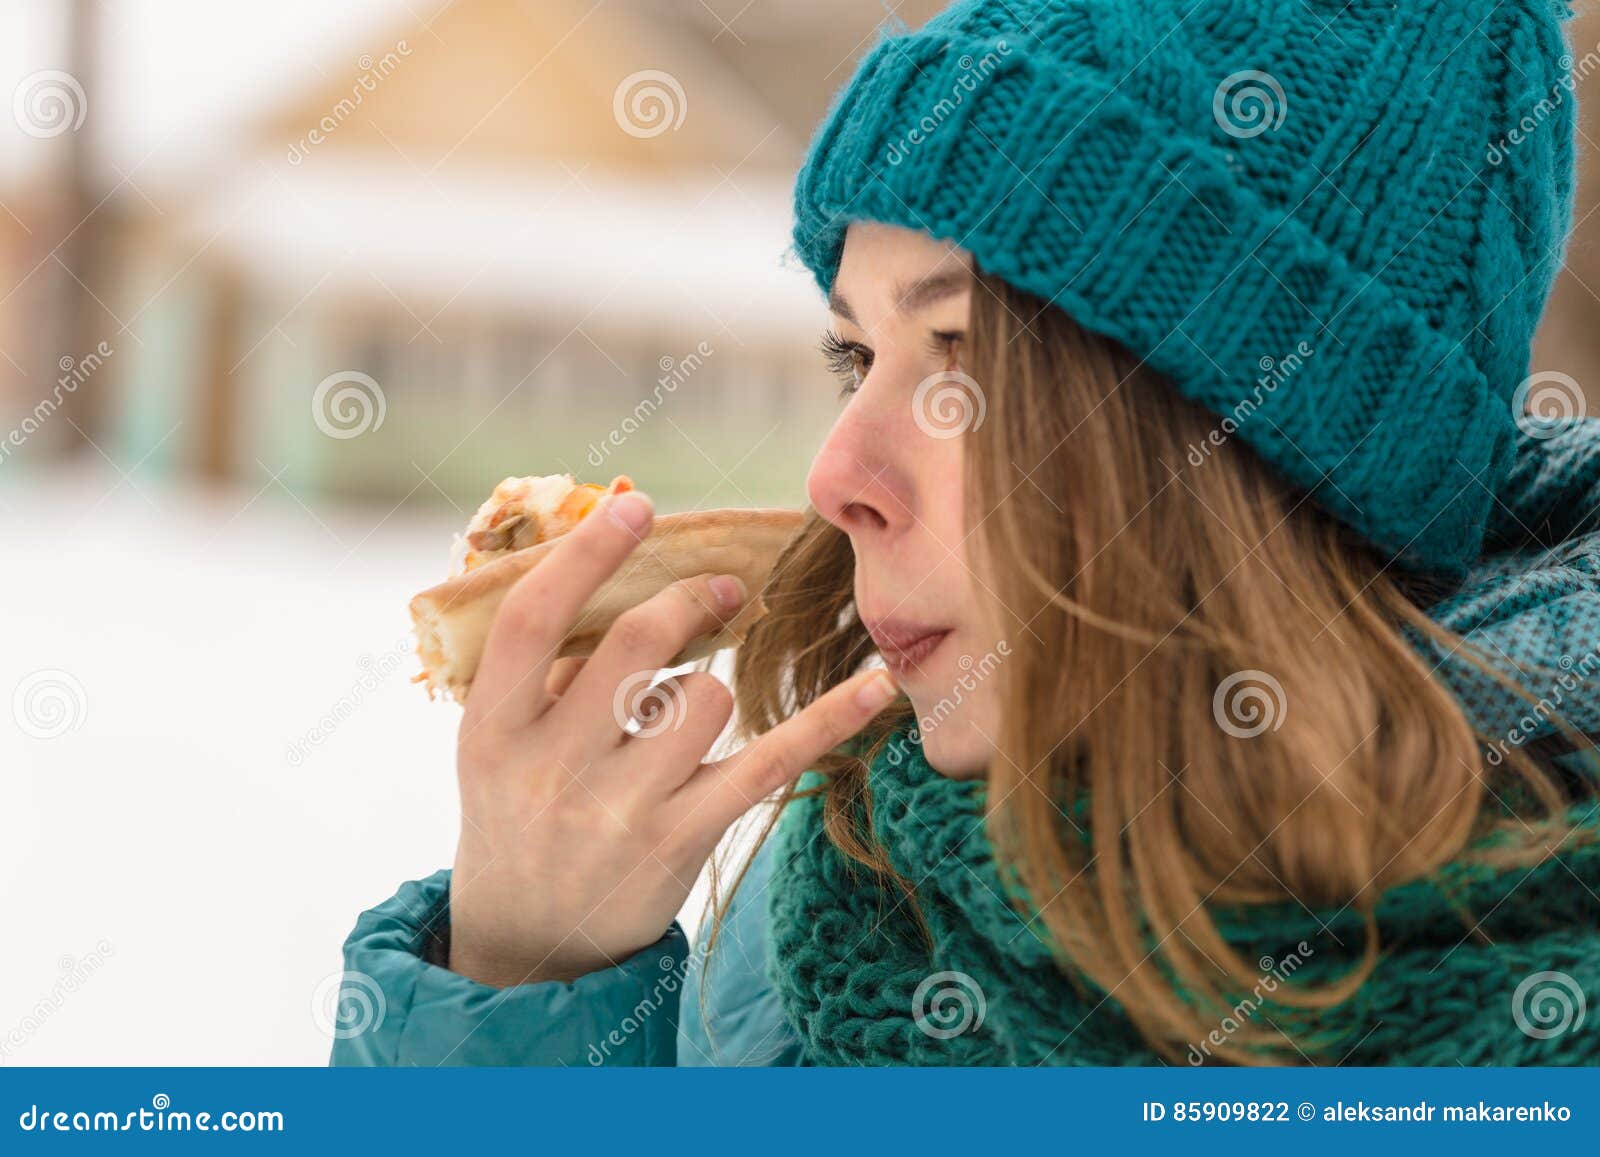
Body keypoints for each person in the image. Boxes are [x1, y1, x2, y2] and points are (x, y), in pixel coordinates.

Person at [333, 0, 1600, 1065]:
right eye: (855, 353)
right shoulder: (819, 921)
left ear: (1266, 438)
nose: (838, 478)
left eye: (964, 357)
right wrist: (526, 977)